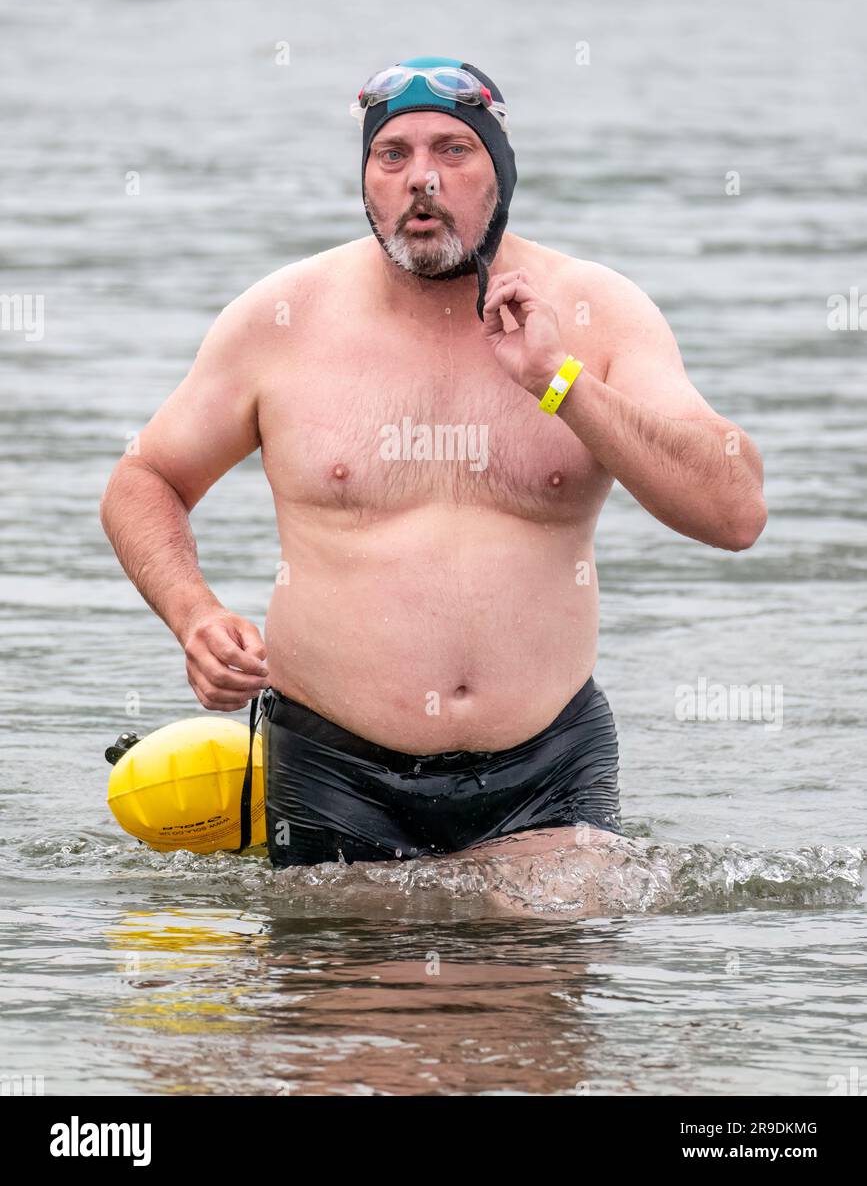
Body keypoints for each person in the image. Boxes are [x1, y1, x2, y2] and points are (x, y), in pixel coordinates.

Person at [99, 56, 767, 868]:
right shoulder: (281, 320)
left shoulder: (596, 312)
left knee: (536, 947)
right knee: (358, 978)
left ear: (500, 172)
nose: (422, 179)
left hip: (545, 768)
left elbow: (733, 512)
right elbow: (145, 478)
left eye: (454, 151)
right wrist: (194, 615)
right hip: (332, 766)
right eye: (394, 155)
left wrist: (559, 384)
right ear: (368, 178)